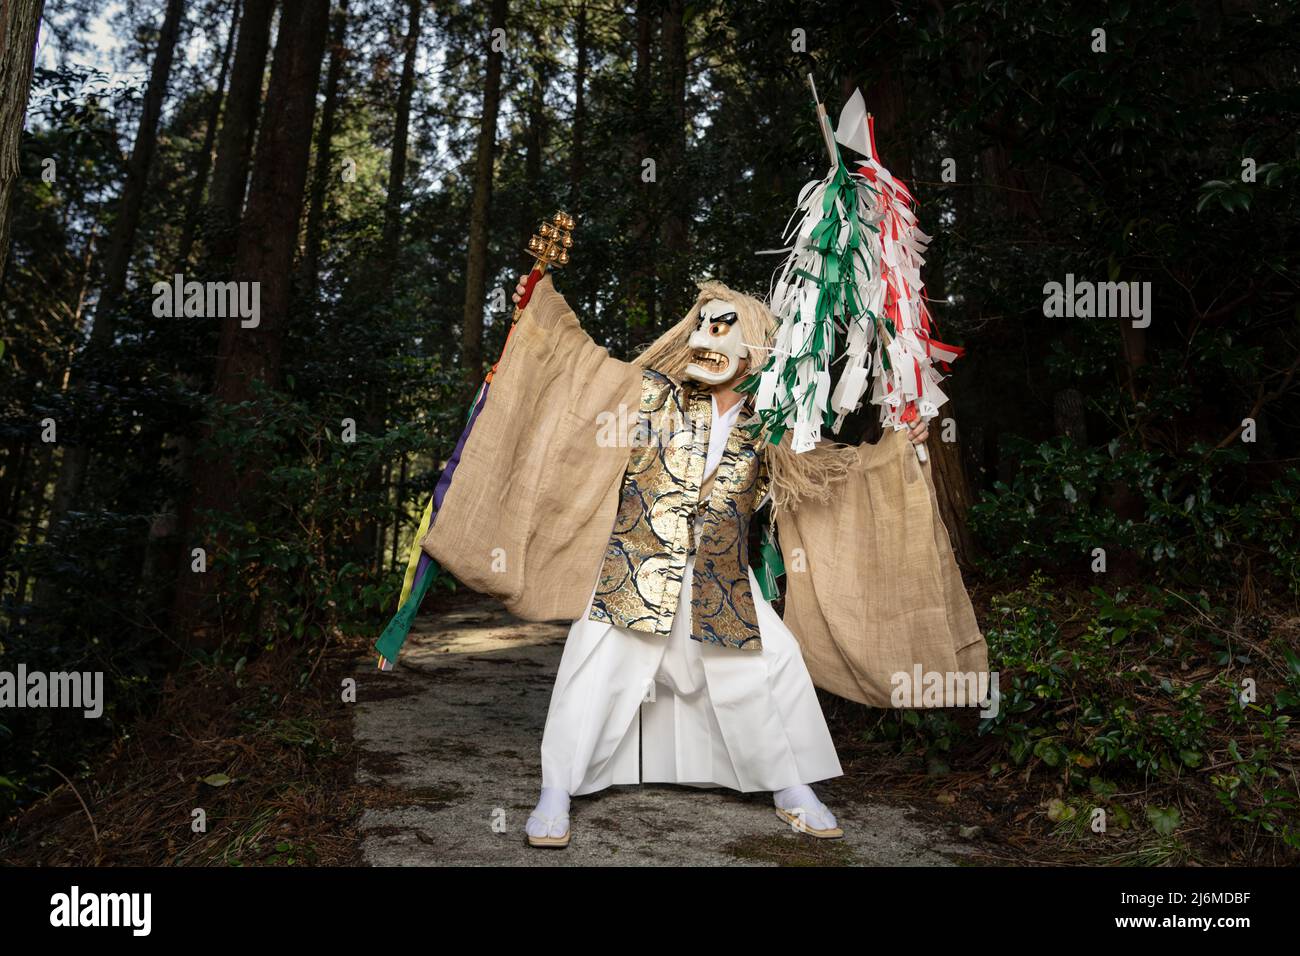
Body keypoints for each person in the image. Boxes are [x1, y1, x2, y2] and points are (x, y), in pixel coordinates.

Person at [507, 274, 929, 848]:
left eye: (722, 325)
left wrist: (899, 447)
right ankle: (555, 792)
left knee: (771, 661)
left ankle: (790, 786)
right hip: (633, 566)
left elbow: (839, 476)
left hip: (719, 578)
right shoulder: (654, 394)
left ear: (754, 345)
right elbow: (583, 368)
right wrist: (541, 311)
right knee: (595, 668)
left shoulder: (771, 427)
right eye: (701, 323)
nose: (705, 333)